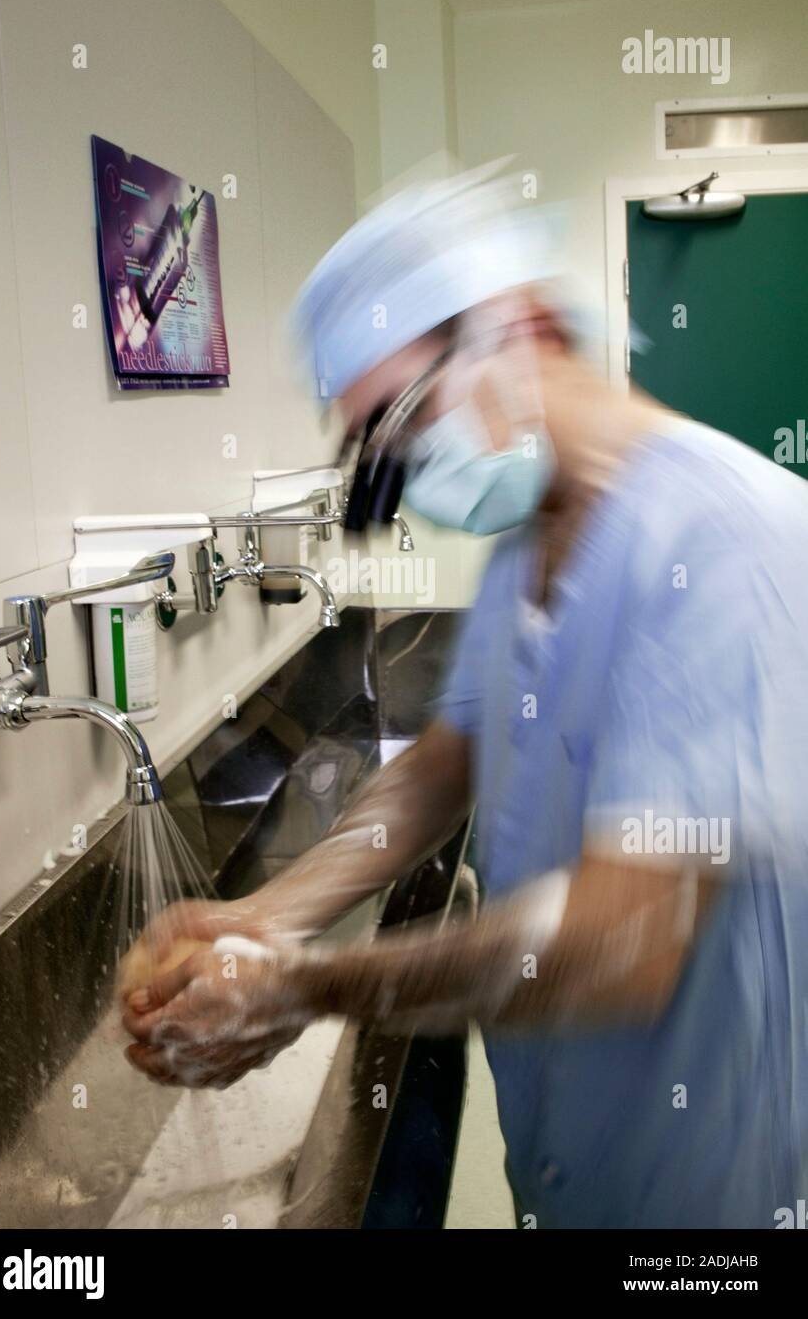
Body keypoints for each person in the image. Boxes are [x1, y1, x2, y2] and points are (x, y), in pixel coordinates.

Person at [123, 166, 808, 1229]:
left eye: (405, 416)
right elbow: (448, 763)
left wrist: (304, 986)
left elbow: (627, 936)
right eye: (383, 453)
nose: (413, 465)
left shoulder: (721, 541)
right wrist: (261, 916)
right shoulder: (526, 550)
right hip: (568, 1158)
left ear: (519, 325)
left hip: (710, 1193)